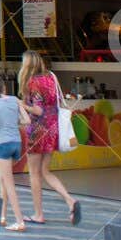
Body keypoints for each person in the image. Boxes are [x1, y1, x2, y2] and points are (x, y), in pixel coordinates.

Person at [19, 51, 80, 225]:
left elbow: (38, 110)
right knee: (45, 171)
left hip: (37, 131)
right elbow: (57, 103)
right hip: (53, 130)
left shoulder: (32, 83)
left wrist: (21, 104)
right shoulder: (52, 78)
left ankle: (38, 214)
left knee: (34, 174)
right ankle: (70, 200)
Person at [0, 75, 28, 231]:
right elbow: (27, 120)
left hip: (4, 143)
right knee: (2, 177)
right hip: (17, 143)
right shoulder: (15, 100)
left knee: (9, 183)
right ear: (4, 87)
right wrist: (15, 124)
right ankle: (2, 216)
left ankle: (19, 221)